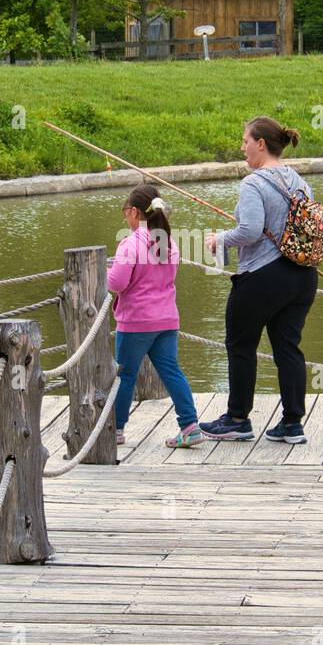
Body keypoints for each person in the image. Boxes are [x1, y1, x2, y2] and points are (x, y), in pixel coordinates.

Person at [201, 116, 318, 444]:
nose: (242, 147)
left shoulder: (253, 183)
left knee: (240, 345)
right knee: (287, 348)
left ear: (261, 144)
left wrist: (218, 240)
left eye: (245, 141)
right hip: (302, 277)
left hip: (264, 279)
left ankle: (237, 418)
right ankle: (292, 424)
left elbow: (250, 231)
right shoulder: (298, 180)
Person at [107, 184, 202, 448]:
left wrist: (103, 273)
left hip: (136, 323)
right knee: (172, 371)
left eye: (126, 211)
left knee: (125, 375)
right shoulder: (169, 242)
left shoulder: (130, 244)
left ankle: (116, 429)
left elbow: (116, 283)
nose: (125, 216)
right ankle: (190, 425)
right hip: (167, 320)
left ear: (135, 212)